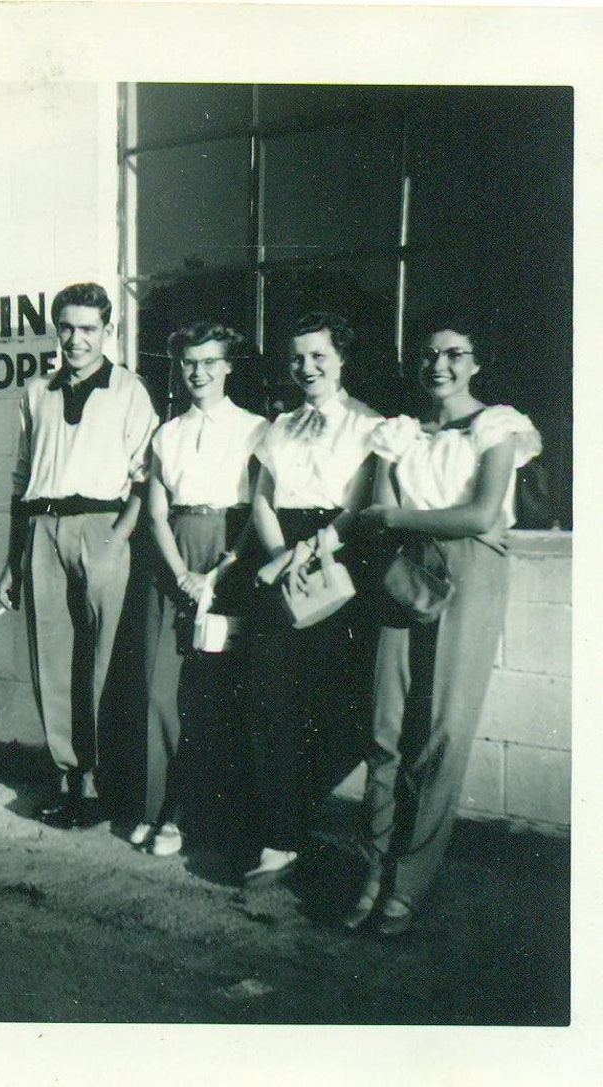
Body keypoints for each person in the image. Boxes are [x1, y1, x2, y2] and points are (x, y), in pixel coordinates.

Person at [344, 313, 541, 936]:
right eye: (429, 354)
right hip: (403, 570)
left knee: (442, 733)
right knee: (384, 727)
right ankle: (373, 870)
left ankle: (407, 883)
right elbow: (377, 509)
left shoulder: (497, 426)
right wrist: (395, 521)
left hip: (471, 571)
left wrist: (398, 519)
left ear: (475, 362)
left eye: (455, 354)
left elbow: (481, 515)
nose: (440, 365)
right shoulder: (398, 432)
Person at [0, 282, 159, 828]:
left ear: (107, 331)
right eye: (66, 327)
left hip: (103, 529)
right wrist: (12, 559)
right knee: (53, 662)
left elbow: (145, 476)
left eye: (88, 328)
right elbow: (21, 479)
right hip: (43, 530)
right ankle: (73, 782)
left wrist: (118, 538)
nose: (76, 339)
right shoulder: (36, 392)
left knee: (106, 664)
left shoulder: (129, 390)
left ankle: (108, 785)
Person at [241, 311, 383, 878]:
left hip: (339, 559)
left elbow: (358, 506)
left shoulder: (368, 425)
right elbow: (262, 499)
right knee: (272, 701)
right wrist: (282, 558)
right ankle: (279, 838)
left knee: (340, 707)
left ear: (341, 358)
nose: (307, 367)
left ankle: (298, 817)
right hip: (282, 562)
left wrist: (304, 556)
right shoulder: (278, 427)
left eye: (319, 355)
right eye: (297, 357)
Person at [130, 322, 268, 857]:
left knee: (214, 694)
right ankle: (158, 809)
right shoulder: (167, 434)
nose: (199, 372)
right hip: (174, 558)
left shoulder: (257, 429)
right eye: (189, 362)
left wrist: (219, 571)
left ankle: (195, 818)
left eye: (210, 361)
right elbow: (156, 512)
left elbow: (258, 510)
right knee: (160, 689)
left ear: (228, 366)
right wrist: (180, 573)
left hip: (231, 551)